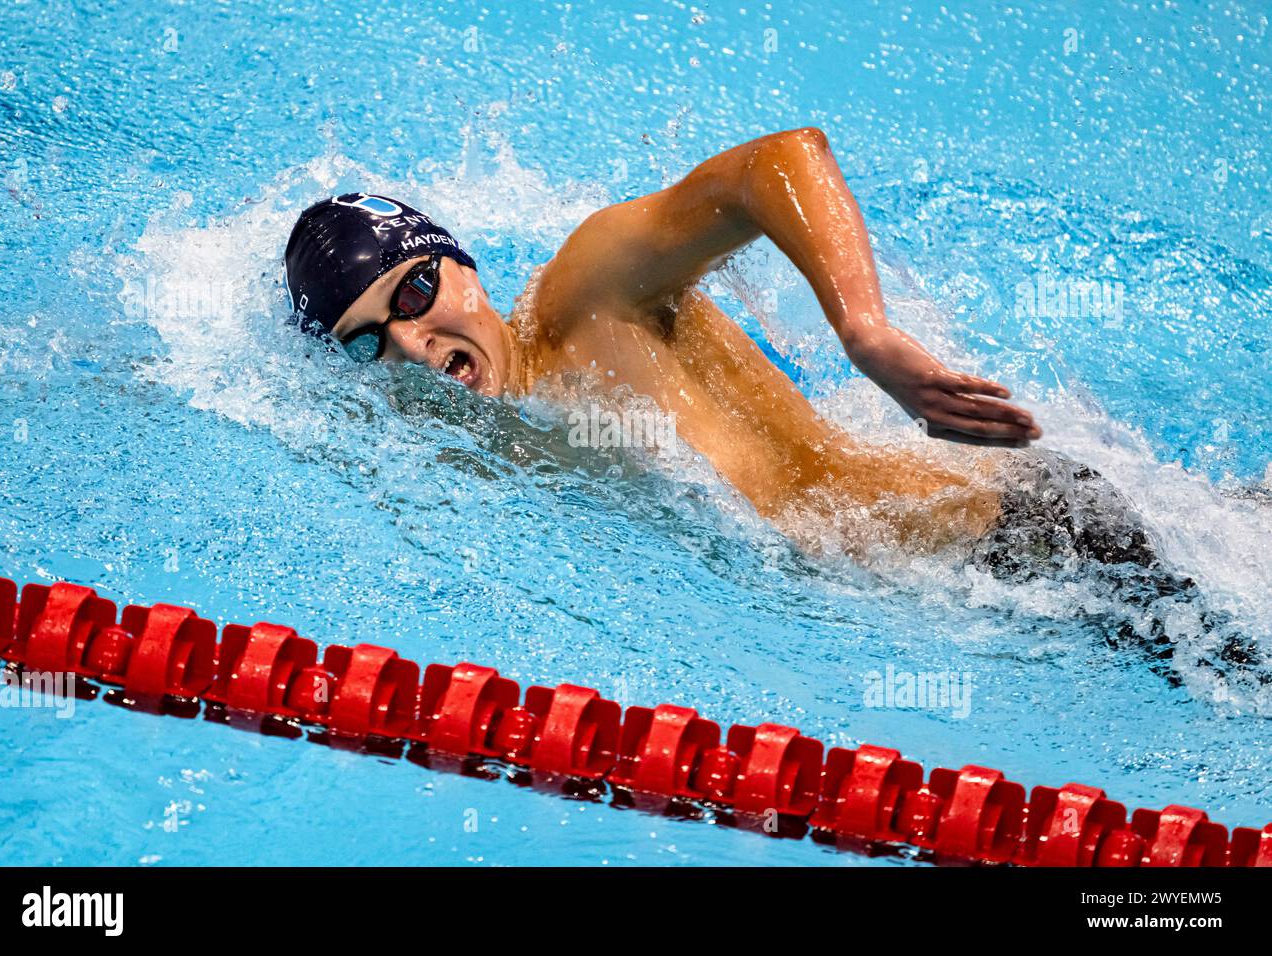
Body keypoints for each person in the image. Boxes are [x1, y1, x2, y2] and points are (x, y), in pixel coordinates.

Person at [281, 129, 1256, 673]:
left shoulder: (584, 297)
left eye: (413, 294)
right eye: (369, 341)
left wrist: (864, 333)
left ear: (458, 263)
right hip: (964, 592)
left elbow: (772, 163)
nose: (413, 344)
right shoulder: (465, 433)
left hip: (1032, 534)